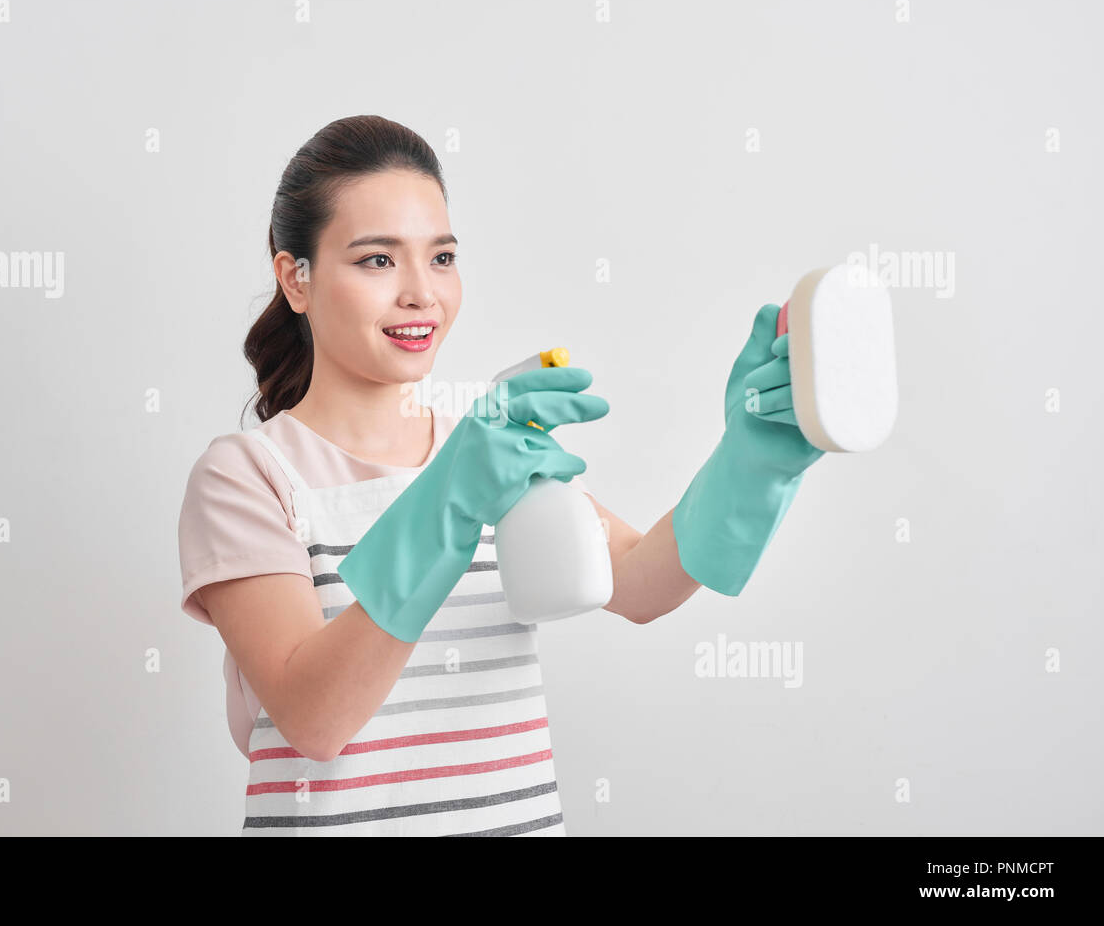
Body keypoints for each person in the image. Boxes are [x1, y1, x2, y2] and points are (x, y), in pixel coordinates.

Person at [177, 114, 824, 836]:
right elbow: (313, 717)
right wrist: (449, 505)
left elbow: (639, 581)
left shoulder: (485, 444)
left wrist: (748, 459)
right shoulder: (246, 475)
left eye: (442, 257)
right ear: (296, 278)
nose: (422, 292)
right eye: (377, 261)